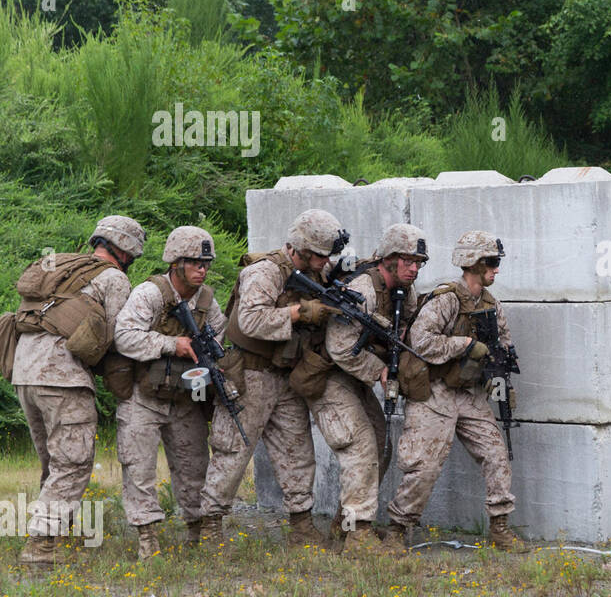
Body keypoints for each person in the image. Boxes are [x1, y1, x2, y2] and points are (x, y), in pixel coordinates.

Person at [196, 209, 344, 549]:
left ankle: (302, 525)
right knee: (232, 450)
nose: (325, 262)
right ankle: (210, 527)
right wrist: (299, 312)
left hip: (286, 374)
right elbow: (249, 320)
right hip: (250, 373)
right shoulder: (265, 272)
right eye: (320, 255)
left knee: (298, 451)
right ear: (302, 250)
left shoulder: (317, 272)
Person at [14, 215, 143, 564]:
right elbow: (120, 337)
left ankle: (58, 529)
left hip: (24, 372)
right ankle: (41, 545)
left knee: (54, 460)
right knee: (73, 462)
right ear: (127, 251)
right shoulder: (113, 278)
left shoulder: (60, 267)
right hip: (63, 376)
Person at [387, 230, 527, 553]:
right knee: (425, 465)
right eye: (491, 262)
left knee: (496, 454)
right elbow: (420, 342)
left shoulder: (492, 306)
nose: (496, 270)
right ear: (473, 263)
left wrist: (502, 386)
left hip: (468, 392)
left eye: (496, 262)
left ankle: (500, 527)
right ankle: (397, 528)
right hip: (435, 390)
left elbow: (502, 347)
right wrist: (464, 344)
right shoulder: (446, 299)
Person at [315, 224, 427, 556]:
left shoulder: (405, 291)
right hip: (329, 376)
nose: (414, 268)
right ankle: (358, 536)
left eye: (419, 262)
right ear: (388, 259)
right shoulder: (363, 289)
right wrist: (378, 370)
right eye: (407, 261)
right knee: (361, 447)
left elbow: (408, 327)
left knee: (381, 445)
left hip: (354, 379)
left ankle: (344, 524)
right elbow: (339, 347)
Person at [114, 227, 226, 560]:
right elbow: (125, 336)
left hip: (185, 397)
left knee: (194, 467)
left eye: (205, 262)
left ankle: (196, 530)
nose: (201, 269)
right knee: (138, 467)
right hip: (143, 396)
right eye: (194, 262)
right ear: (175, 263)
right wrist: (170, 344)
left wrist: (211, 353)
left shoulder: (206, 300)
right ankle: (147, 536)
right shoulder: (150, 293)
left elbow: (219, 336)